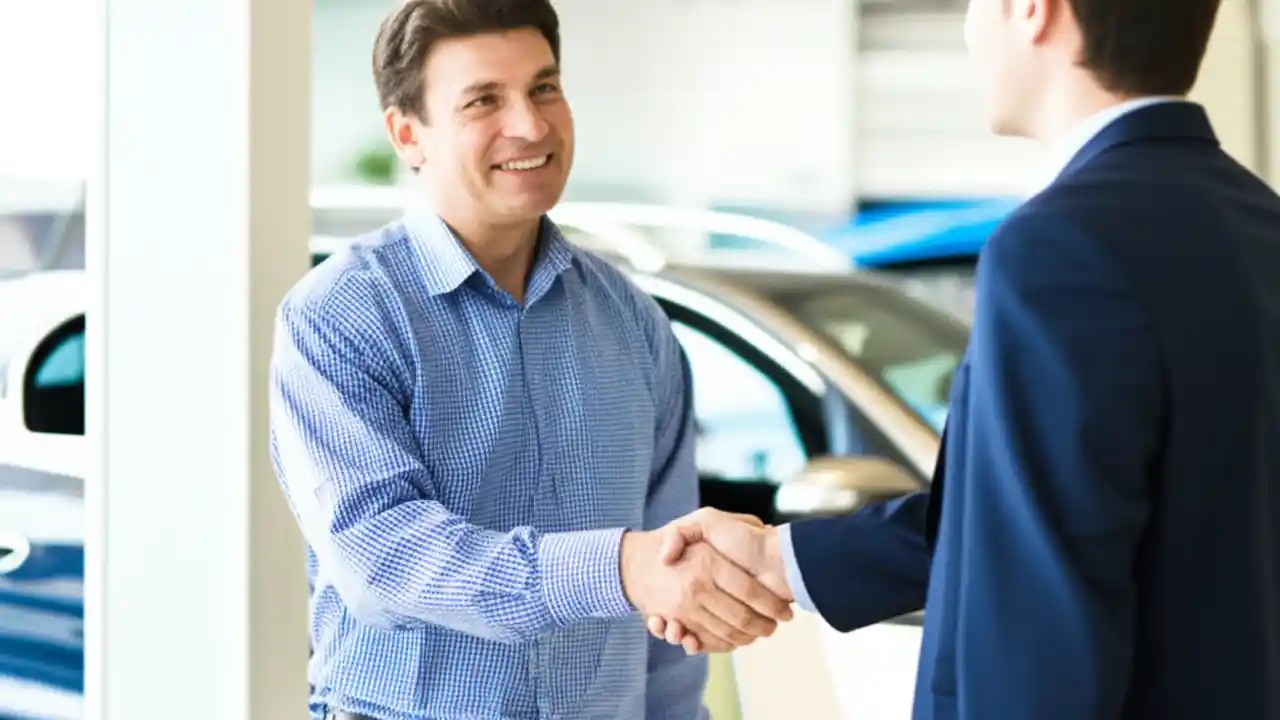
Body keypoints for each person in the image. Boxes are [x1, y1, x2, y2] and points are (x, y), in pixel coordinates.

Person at [652, 0, 1280, 718]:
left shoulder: (1059, 248)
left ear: (1032, 12)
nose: (968, 28)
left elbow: (1039, 604)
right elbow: (1046, 512)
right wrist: (779, 562)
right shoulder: (1259, 226)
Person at [267, 2, 791, 719]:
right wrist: (617, 567)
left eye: (544, 88)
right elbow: (381, 559)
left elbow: (670, 624)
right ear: (407, 134)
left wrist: (654, 582)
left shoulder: (632, 323)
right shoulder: (340, 316)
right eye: (485, 99)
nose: (532, 125)